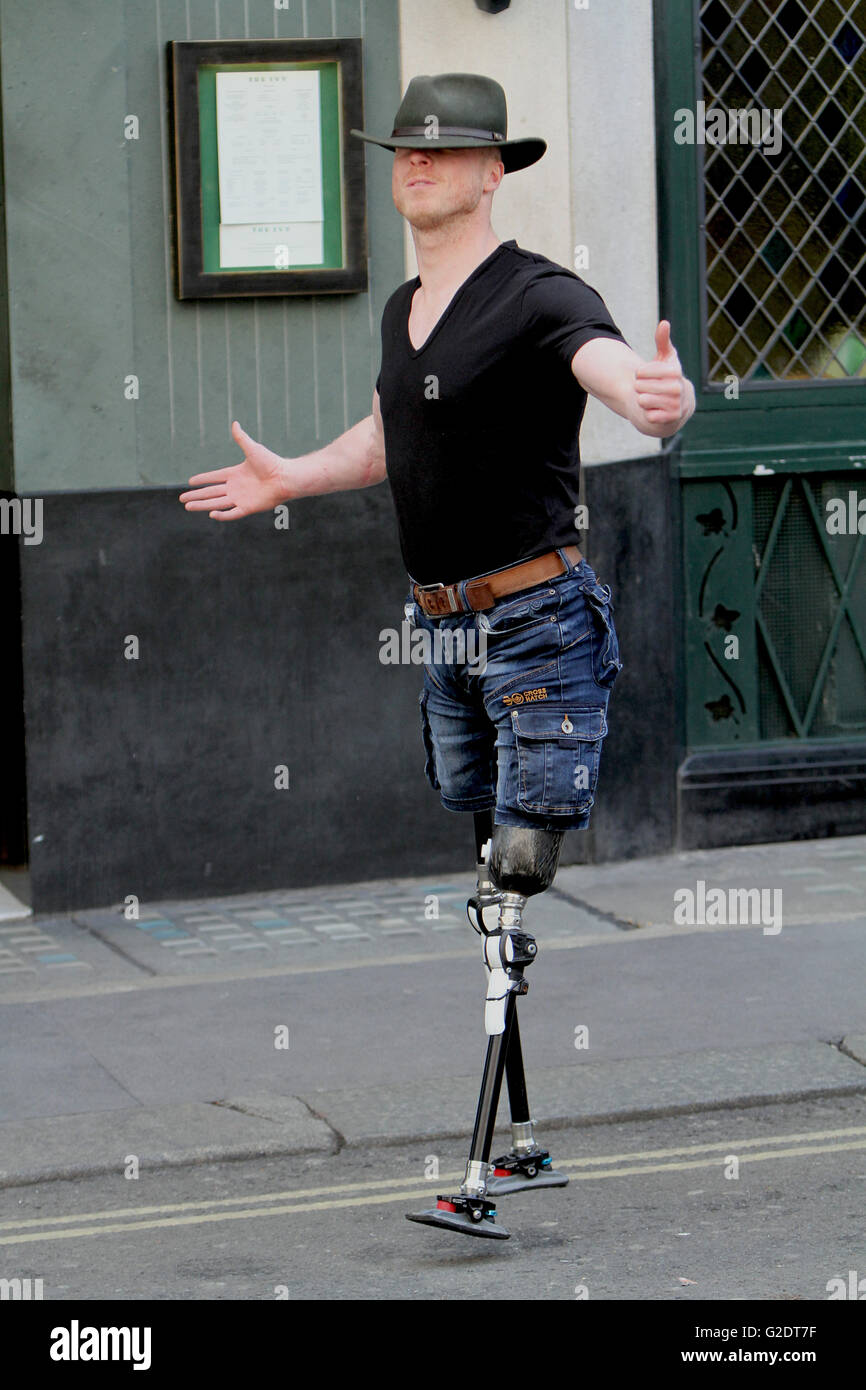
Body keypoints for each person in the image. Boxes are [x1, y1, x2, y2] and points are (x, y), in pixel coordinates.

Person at [179, 72, 695, 1237]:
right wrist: (291, 477)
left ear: (491, 170)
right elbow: (390, 429)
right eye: (403, 150)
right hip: (446, 623)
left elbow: (611, 368)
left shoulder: (537, 295)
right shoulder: (404, 305)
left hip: (537, 618)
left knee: (516, 864)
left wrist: (658, 403)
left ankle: (480, 1167)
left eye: (442, 151)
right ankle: (518, 1137)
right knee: (478, 854)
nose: (414, 164)